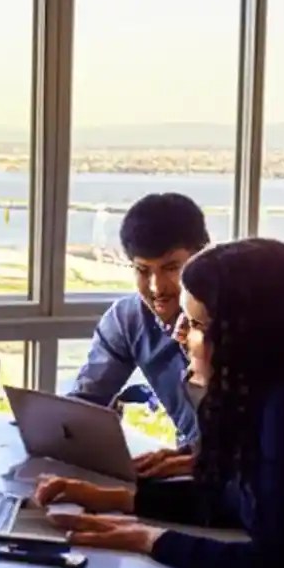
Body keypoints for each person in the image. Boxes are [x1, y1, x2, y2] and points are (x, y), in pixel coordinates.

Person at [34, 238, 284, 568]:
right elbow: (241, 501)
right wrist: (117, 499)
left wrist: (147, 538)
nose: (179, 335)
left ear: (244, 334)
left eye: (195, 324)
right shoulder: (278, 391)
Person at [70, 192, 209, 478]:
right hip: (188, 473)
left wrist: (203, 459)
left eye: (171, 268)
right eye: (143, 270)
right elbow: (86, 404)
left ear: (203, 257)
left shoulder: (237, 320)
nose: (157, 287)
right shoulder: (129, 319)